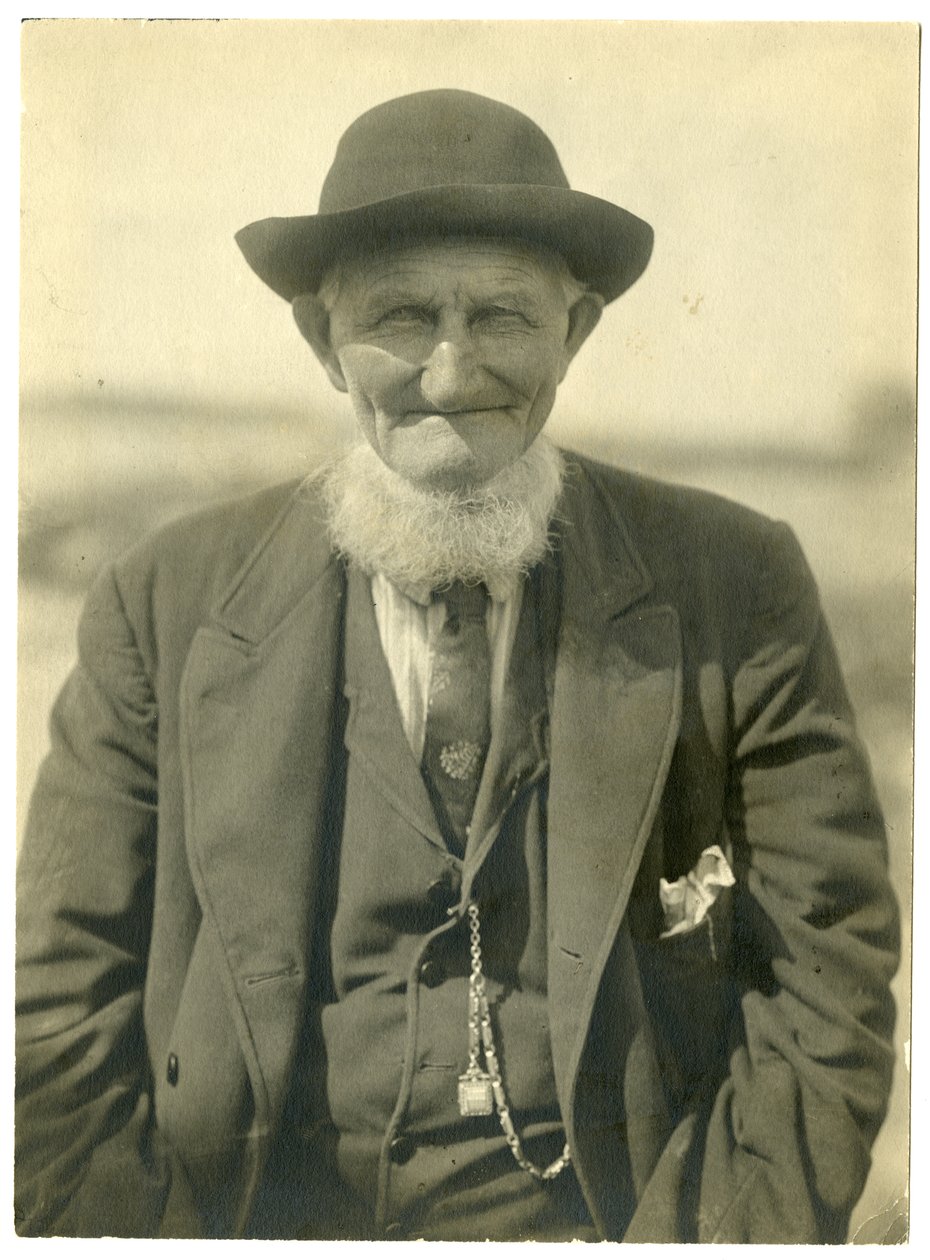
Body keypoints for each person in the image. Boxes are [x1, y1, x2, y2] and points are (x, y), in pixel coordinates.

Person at [15, 88, 899, 1243]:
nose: (449, 374)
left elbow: (828, 984)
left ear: (574, 334)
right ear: (321, 343)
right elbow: (55, 1017)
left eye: (501, 319)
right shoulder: (164, 604)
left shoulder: (736, 586)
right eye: (398, 318)